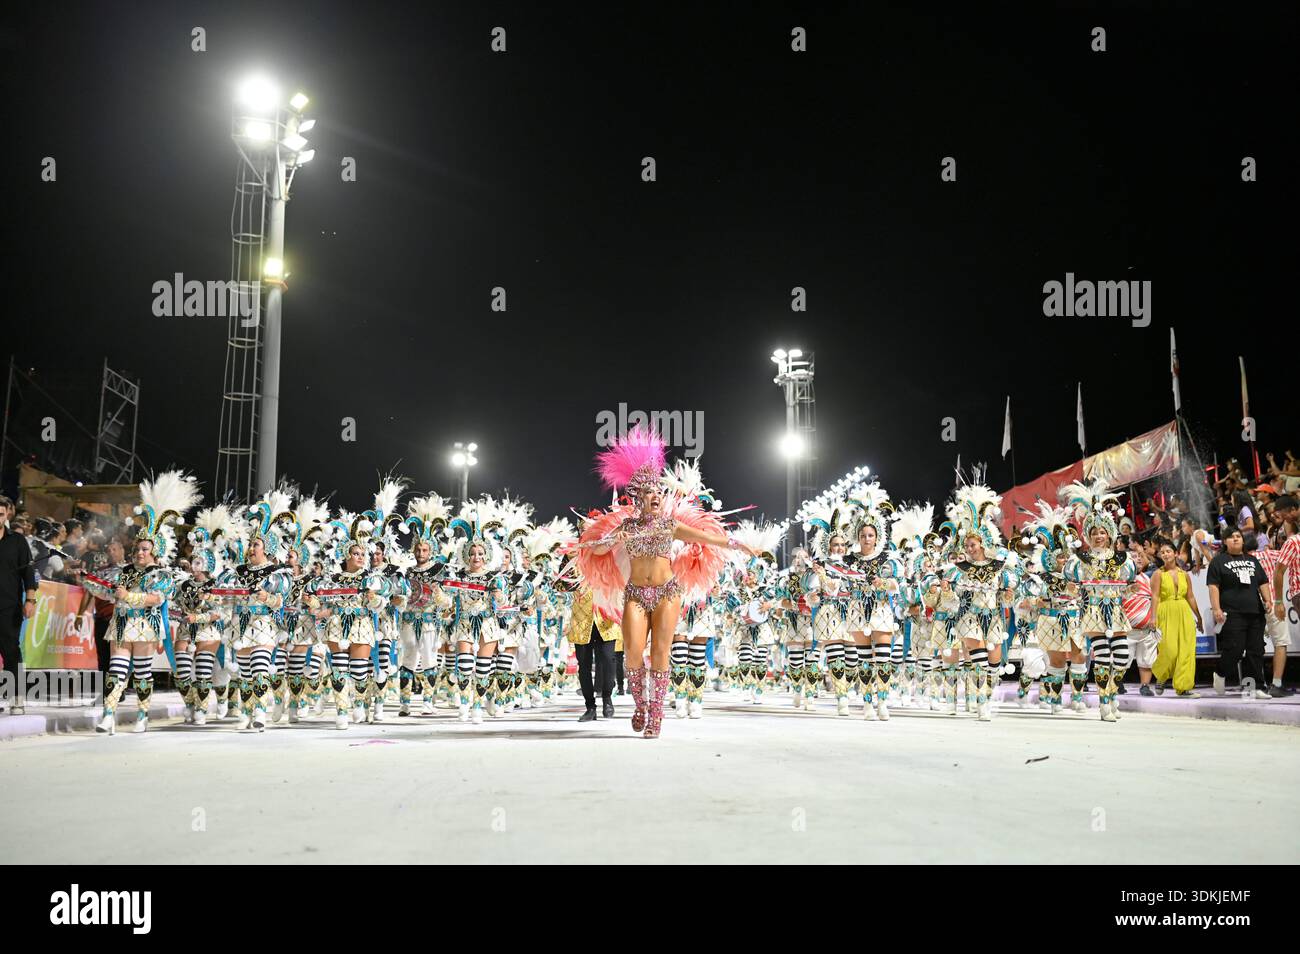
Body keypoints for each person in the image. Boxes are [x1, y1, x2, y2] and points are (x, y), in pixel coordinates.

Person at [574, 428, 756, 739]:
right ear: (638, 498)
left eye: (659, 492)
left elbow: (709, 537)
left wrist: (738, 544)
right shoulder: (627, 526)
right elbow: (601, 549)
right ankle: (641, 704)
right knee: (632, 652)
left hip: (667, 592)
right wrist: (603, 540)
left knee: (660, 651)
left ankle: (656, 713)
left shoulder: (671, 526)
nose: (656, 496)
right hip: (635, 593)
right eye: (649, 493)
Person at [81, 472, 199, 734]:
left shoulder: (164, 575)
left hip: (146, 626)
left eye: (146, 549)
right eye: (139, 548)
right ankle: (108, 714)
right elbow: (109, 591)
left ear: (155, 551)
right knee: (116, 672)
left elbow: (156, 598)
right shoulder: (124, 571)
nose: (140, 552)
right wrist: (85, 579)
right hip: (121, 624)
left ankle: (142, 715)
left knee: (143, 675)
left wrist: (128, 596)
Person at [1206, 529, 1271, 699]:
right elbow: (1213, 587)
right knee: (1235, 649)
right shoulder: (1218, 561)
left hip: (1255, 611)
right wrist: (1216, 609)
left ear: (1243, 541)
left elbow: (1263, 581)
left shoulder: (1252, 560)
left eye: (1238, 537)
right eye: (1231, 537)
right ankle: (1220, 673)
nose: (1235, 539)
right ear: (1225, 542)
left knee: (1256, 650)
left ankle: (1255, 686)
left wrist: (1268, 600)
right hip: (1232, 612)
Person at [0, 495, 39, 715]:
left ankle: (17, 697)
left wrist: (30, 600)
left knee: (11, 651)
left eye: (1, 514)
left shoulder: (17, 541)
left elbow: (28, 572)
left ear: (7, 514)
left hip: (8, 606)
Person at [1149, 538, 1203, 696]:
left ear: (1175, 553)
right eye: (1162, 552)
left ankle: (1183, 687)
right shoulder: (1158, 574)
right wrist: (1153, 618)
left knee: (1186, 650)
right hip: (1165, 612)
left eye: (1168, 551)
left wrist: (1198, 617)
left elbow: (1190, 597)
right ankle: (1161, 676)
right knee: (1169, 650)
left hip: (1184, 612)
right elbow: (1155, 597)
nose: (1165, 554)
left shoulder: (1184, 574)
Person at [567, 584, 619, 721]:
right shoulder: (574, 564)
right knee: (584, 664)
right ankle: (590, 707)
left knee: (609, 659)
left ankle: (607, 699)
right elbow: (561, 584)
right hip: (582, 621)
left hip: (606, 618)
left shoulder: (609, 562)